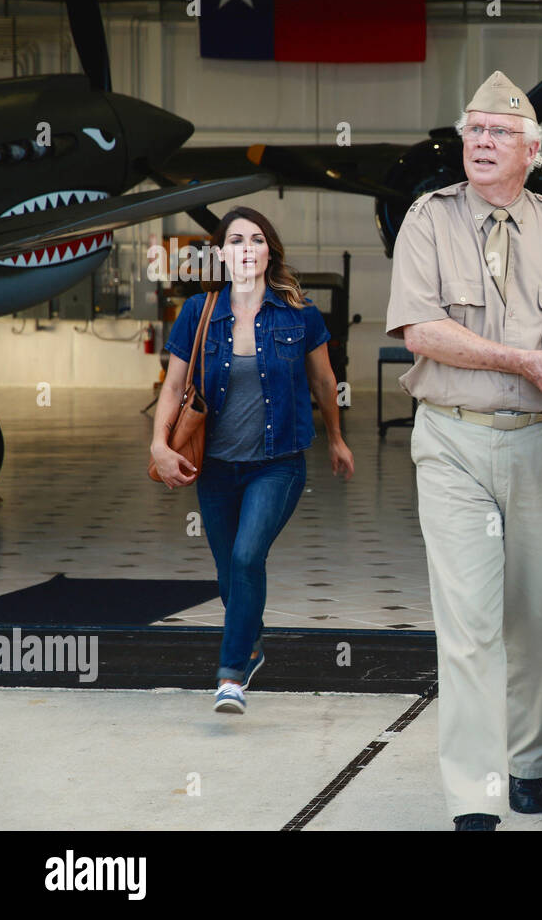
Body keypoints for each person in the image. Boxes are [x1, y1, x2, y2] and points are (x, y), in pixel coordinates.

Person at [385, 71, 542, 831]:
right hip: (454, 441)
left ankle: (530, 762)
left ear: (532, 150)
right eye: (472, 130)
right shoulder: (428, 220)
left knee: (541, 614)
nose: (480, 142)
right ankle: (475, 793)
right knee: (469, 622)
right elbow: (421, 332)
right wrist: (521, 361)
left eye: (498, 132)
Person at [150, 206, 354, 715]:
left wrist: (336, 438)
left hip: (277, 462)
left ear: (269, 252)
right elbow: (174, 385)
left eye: (256, 239)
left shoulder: (298, 313)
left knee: (245, 558)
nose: (246, 247)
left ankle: (231, 674)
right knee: (228, 572)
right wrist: (159, 444)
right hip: (214, 467)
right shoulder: (199, 312)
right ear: (221, 253)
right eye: (236, 239)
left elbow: (325, 382)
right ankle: (254, 641)